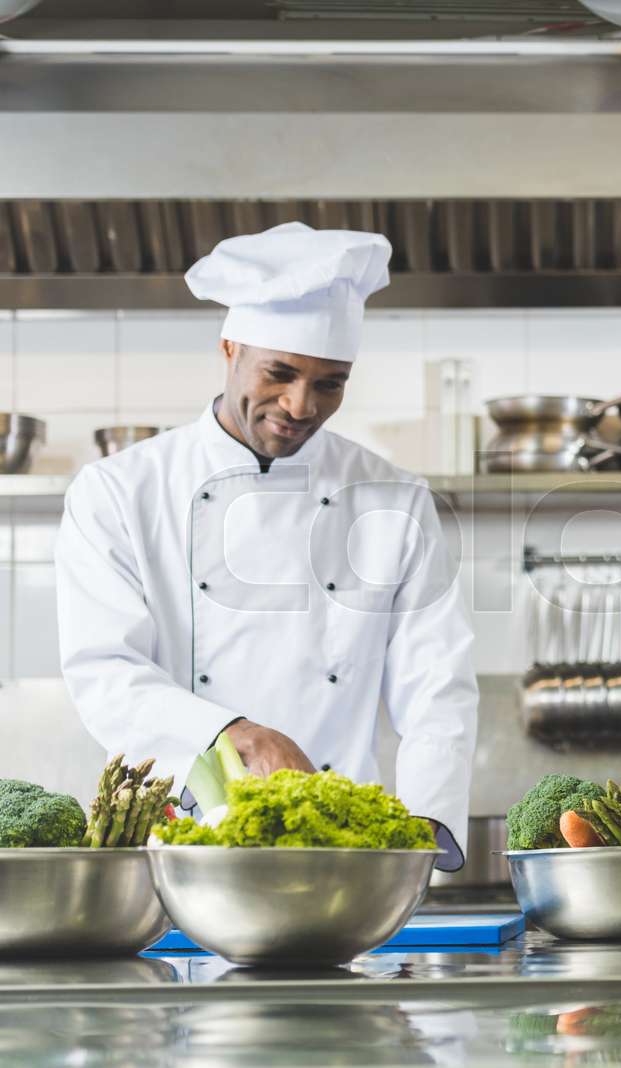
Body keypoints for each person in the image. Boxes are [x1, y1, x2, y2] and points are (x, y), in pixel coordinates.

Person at [55, 222, 478, 869]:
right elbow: (105, 670)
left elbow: (438, 685)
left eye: (330, 382)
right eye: (280, 372)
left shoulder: (394, 496)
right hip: (181, 854)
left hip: (341, 850)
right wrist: (235, 734)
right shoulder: (119, 490)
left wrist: (422, 827)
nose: (301, 404)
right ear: (229, 347)